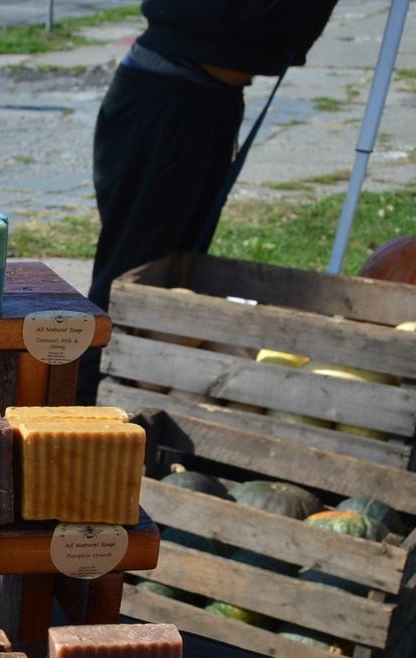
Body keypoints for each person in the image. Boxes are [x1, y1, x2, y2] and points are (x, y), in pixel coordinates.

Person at [76, 0, 341, 404]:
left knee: (172, 271)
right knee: (134, 272)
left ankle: (131, 401)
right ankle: (80, 402)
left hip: (208, 96)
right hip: (169, 93)